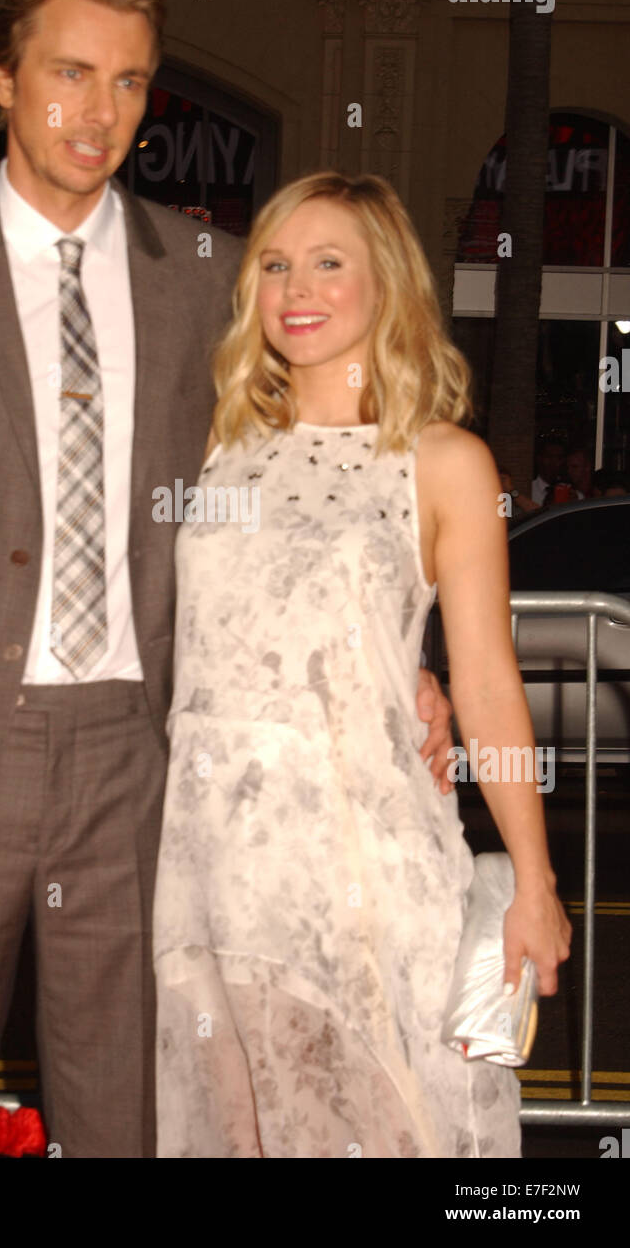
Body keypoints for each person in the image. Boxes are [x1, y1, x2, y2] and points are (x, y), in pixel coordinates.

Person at [0, 0, 455, 1159]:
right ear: (1, 79)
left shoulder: (206, 278)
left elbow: (296, 483)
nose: (99, 112)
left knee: (127, 1126)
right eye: (70, 73)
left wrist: (390, 655)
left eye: (131, 83)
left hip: (142, 771)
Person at [150, 172, 571, 1158]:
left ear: (385, 283)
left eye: (328, 262)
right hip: (205, 869)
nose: (296, 287)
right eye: (276, 265)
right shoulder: (207, 445)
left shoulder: (441, 462)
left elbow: (485, 681)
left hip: (363, 872)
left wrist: (535, 881)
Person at [531, 438, 565, 506]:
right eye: (549, 457)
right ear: (539, 458)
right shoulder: (529, 489)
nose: (554, 462)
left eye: (558, 458)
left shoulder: (571, 492)